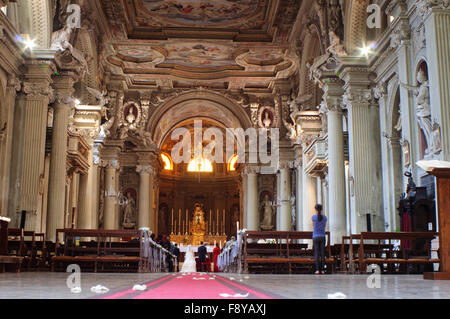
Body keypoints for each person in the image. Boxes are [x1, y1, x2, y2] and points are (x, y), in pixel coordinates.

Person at [312, 204, 327, 275]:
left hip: (315, 236)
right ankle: (323, 270)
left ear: (315, 209)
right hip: (322, 236)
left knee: (317, 253)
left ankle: (317, 270)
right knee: (323, 253)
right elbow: (324, 227)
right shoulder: (324, 218)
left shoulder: (314, 217)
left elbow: (313, 226)